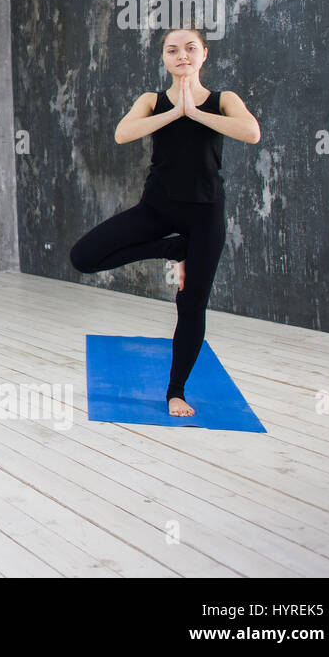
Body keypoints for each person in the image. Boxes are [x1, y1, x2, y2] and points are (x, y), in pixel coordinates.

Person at [70, 26, 260, 417]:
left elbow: (251, 132)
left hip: (206, 215)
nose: (182, 55)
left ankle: (176, 392)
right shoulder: (152, 100)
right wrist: (176, 111)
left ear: (203, 54)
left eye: (190, 48)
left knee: (192, 305)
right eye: (173, 50)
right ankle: (172, 248)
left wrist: (196, 113)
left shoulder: (223, 100)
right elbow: (123, 134)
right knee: (84, 257)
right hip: (157, 209)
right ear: (165, 58)